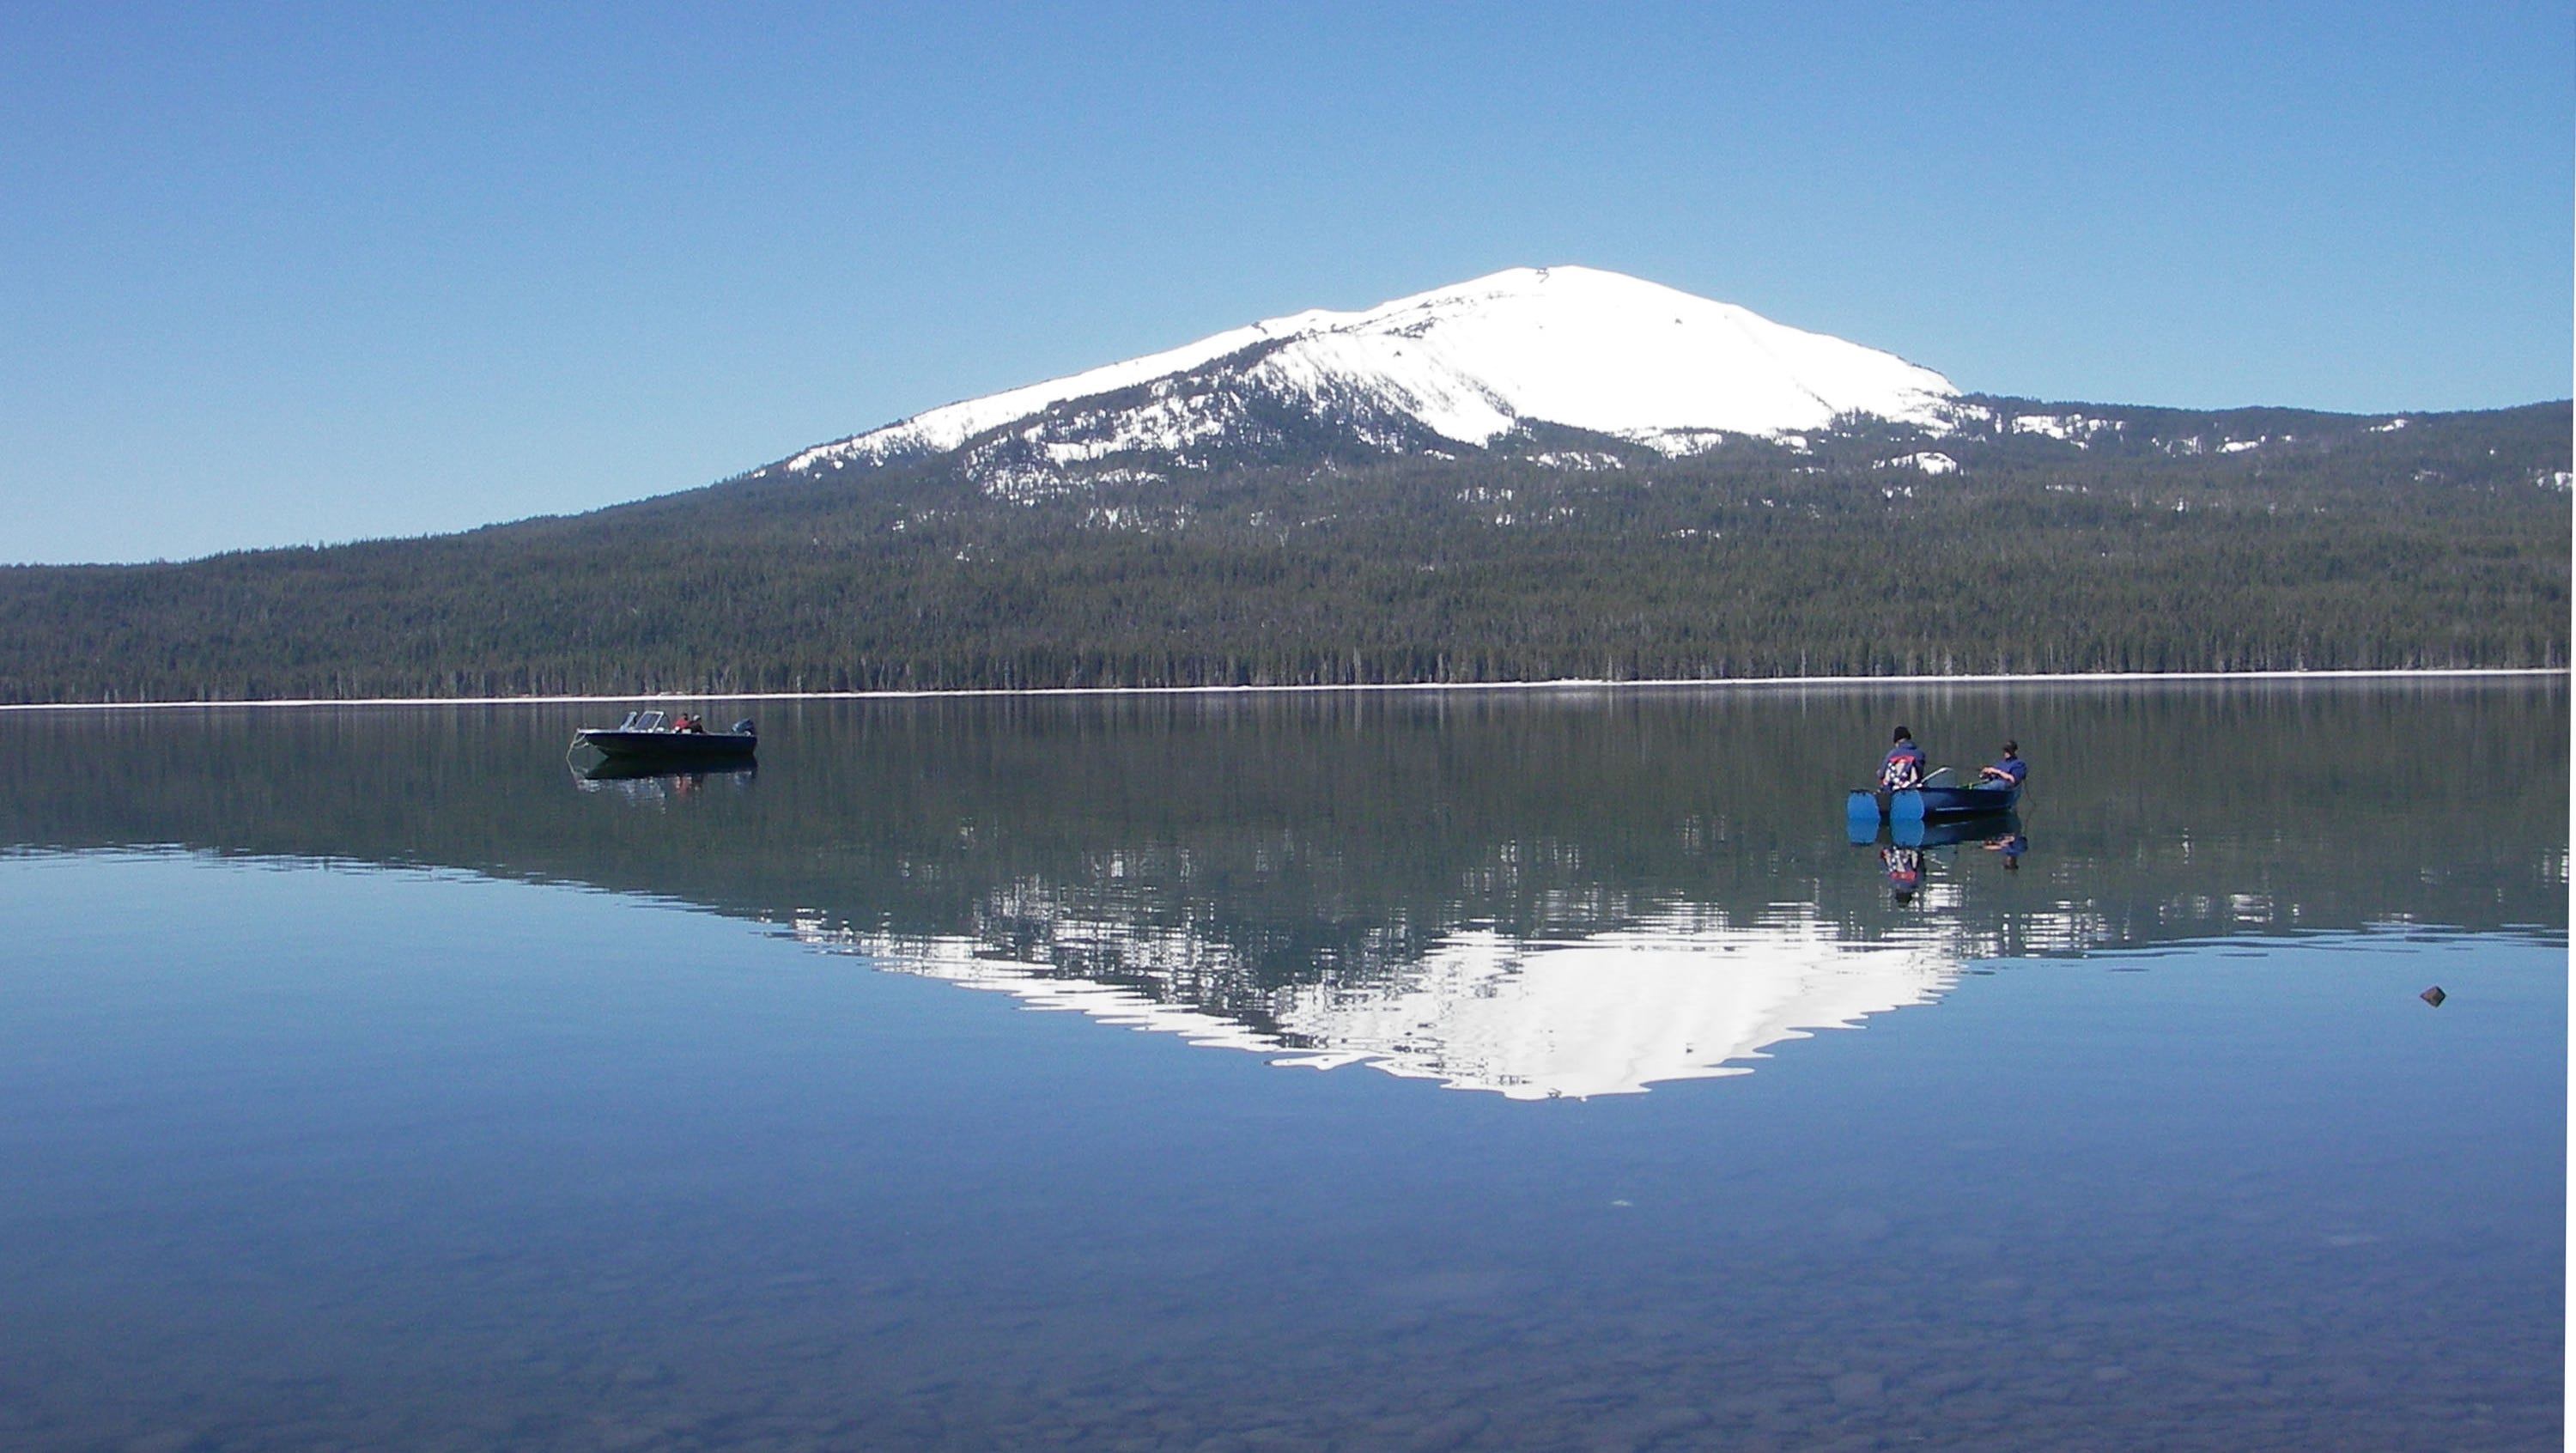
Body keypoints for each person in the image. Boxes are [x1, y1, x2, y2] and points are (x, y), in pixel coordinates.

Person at [1880, 726, 1926, 791]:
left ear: (1896, 742)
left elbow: (1882, 774)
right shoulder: (1920, 754)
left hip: (1895, 789)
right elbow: (1920, 773)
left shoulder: (1892, 754)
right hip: (1914, 787)